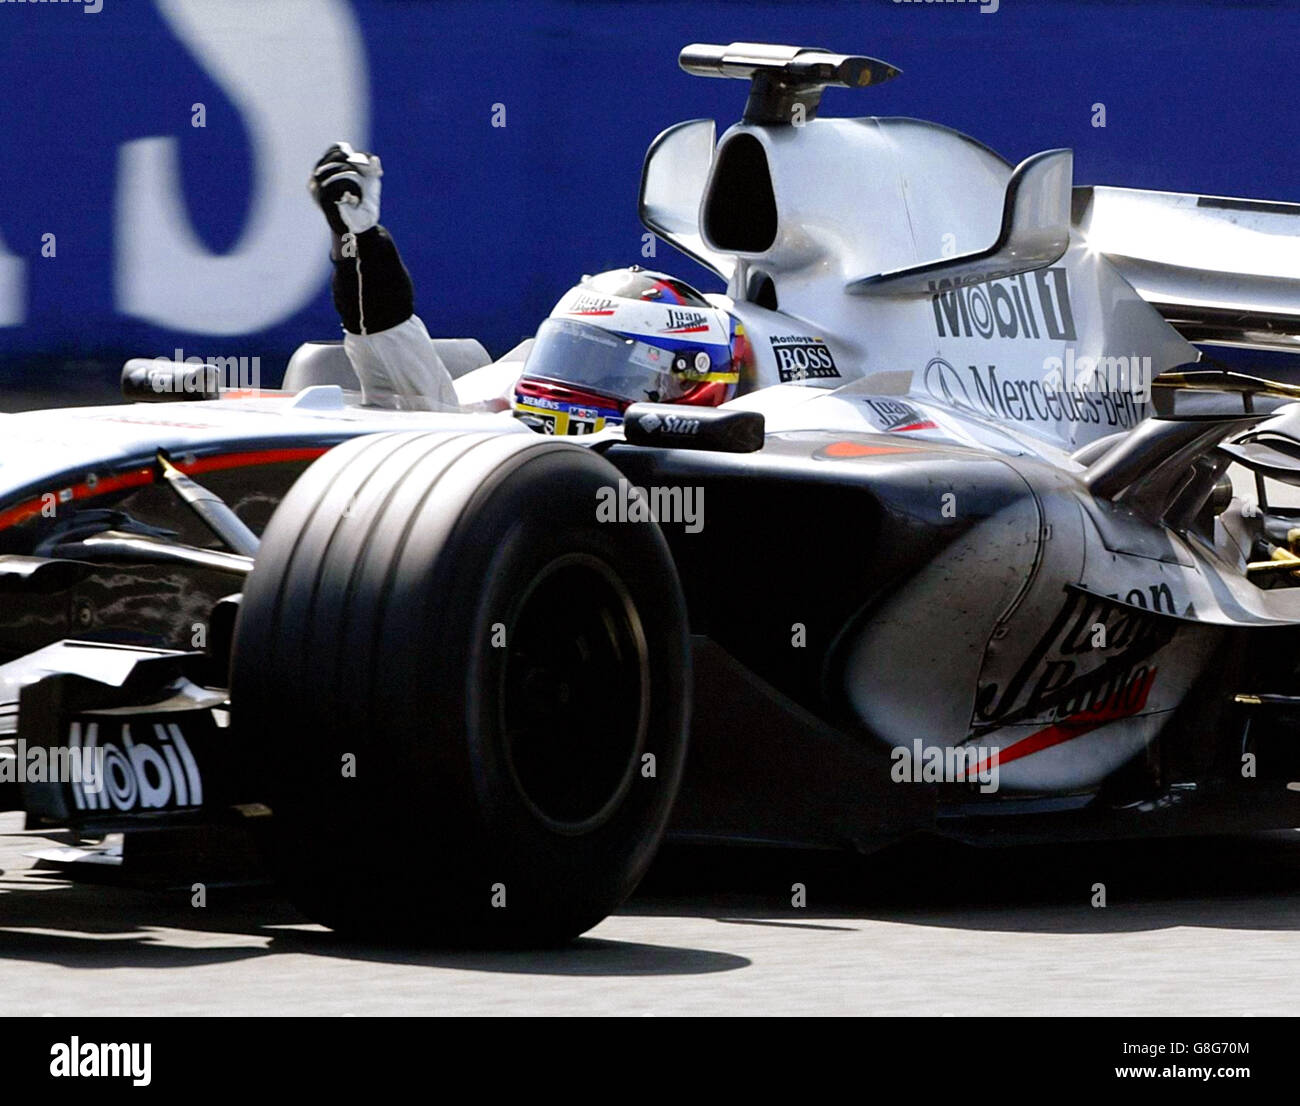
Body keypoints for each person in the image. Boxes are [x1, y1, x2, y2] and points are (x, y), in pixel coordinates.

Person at [308, 142, 458, 410]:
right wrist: (357, 186)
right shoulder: (355, 240)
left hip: (373, 333)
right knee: (438, 410)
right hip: (386, 334)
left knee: (401, 409)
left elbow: (356, 231)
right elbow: (355, 232)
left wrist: (365, 182)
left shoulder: (359, 240)